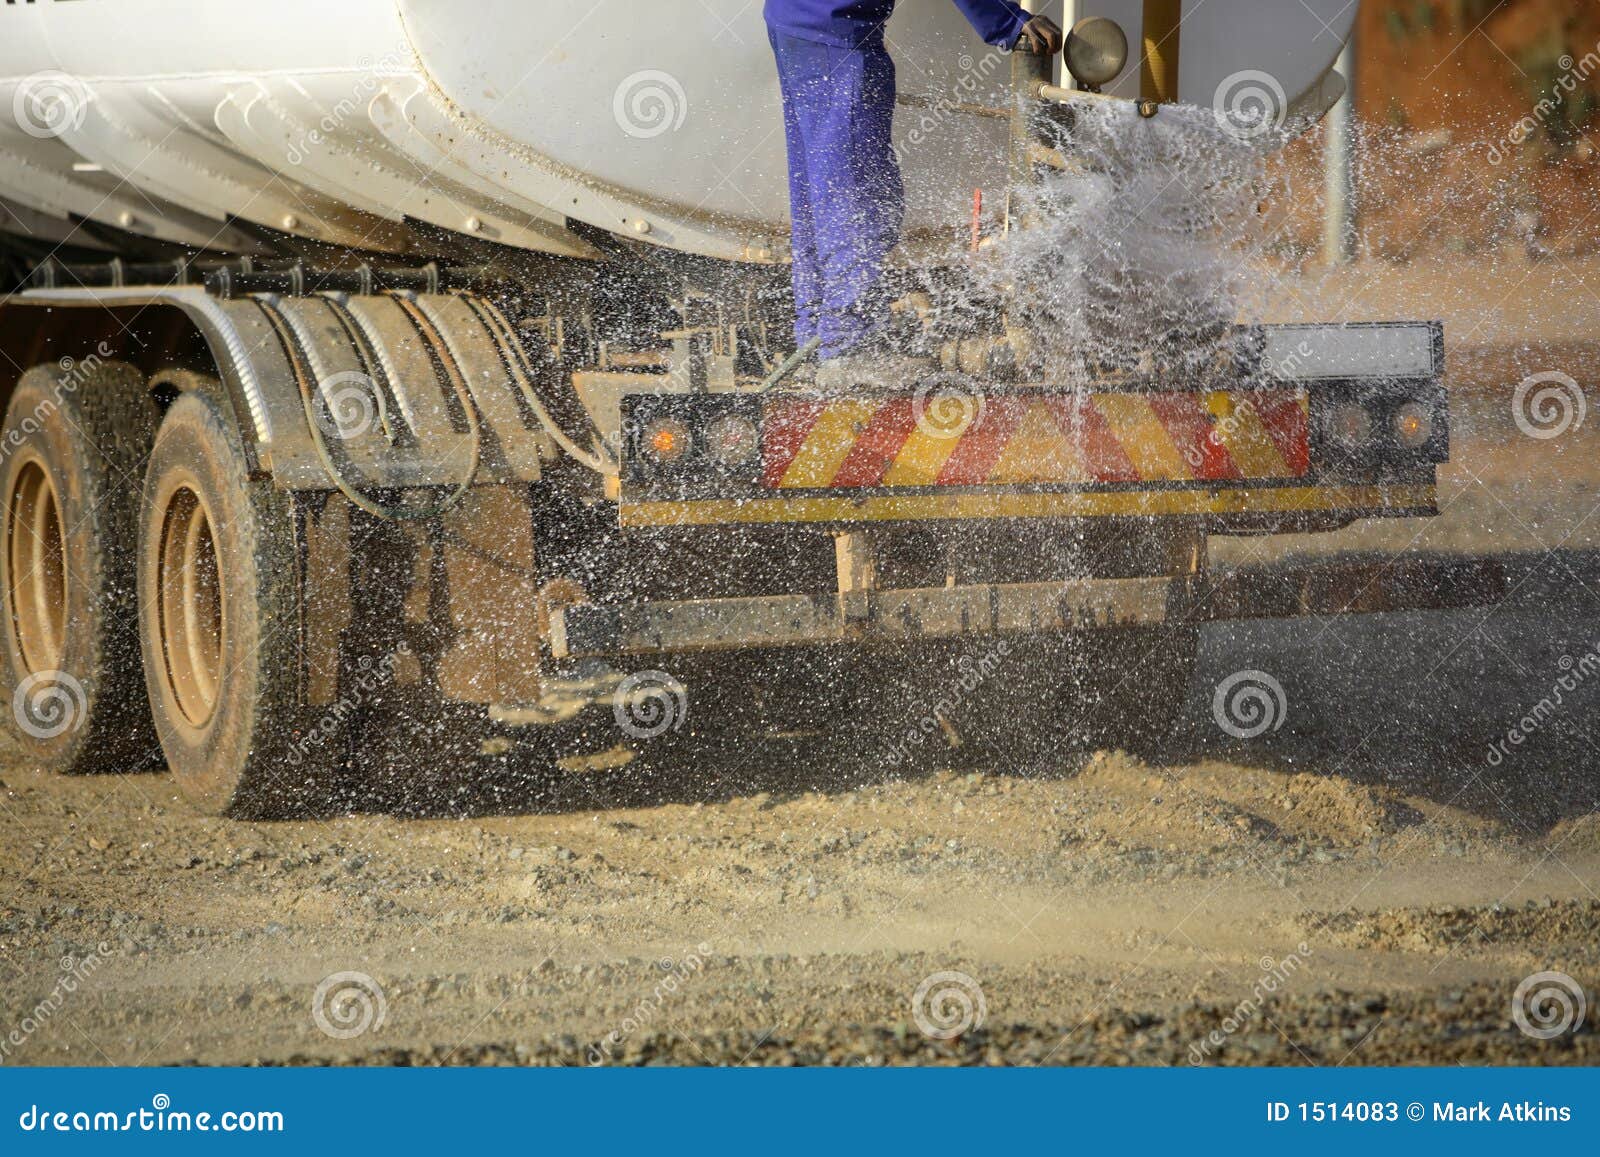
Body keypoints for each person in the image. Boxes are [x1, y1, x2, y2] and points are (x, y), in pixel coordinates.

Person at [766, 1, 1063, 391]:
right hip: (836, 33)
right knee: (861, 197)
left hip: (796, 21)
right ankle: (850, 349)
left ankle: (816, 337)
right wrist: (1010, 22)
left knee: (819, 191)